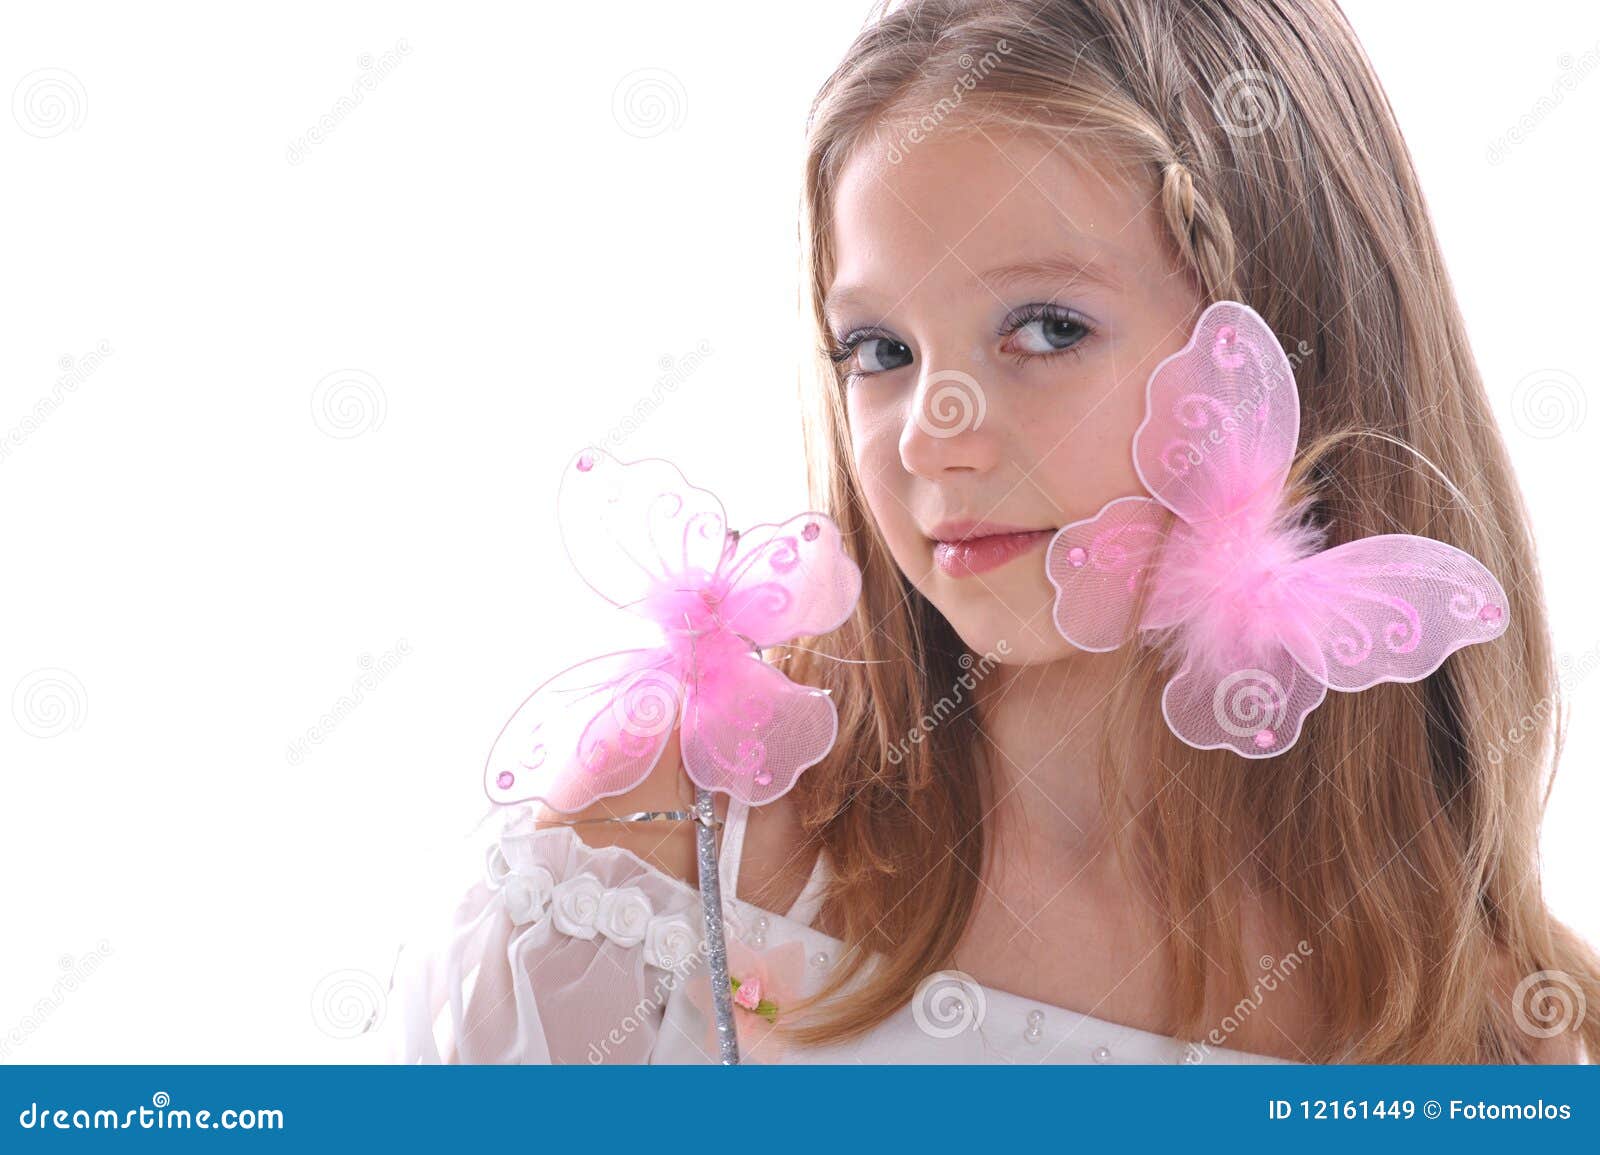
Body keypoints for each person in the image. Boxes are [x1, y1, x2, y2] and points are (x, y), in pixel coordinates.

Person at [389, 0, 1596, 1064]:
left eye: (1046, 329)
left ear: (1290, 343)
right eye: (879, 351)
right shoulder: (669, 840)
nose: (929, 434)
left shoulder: (1501, 1034)